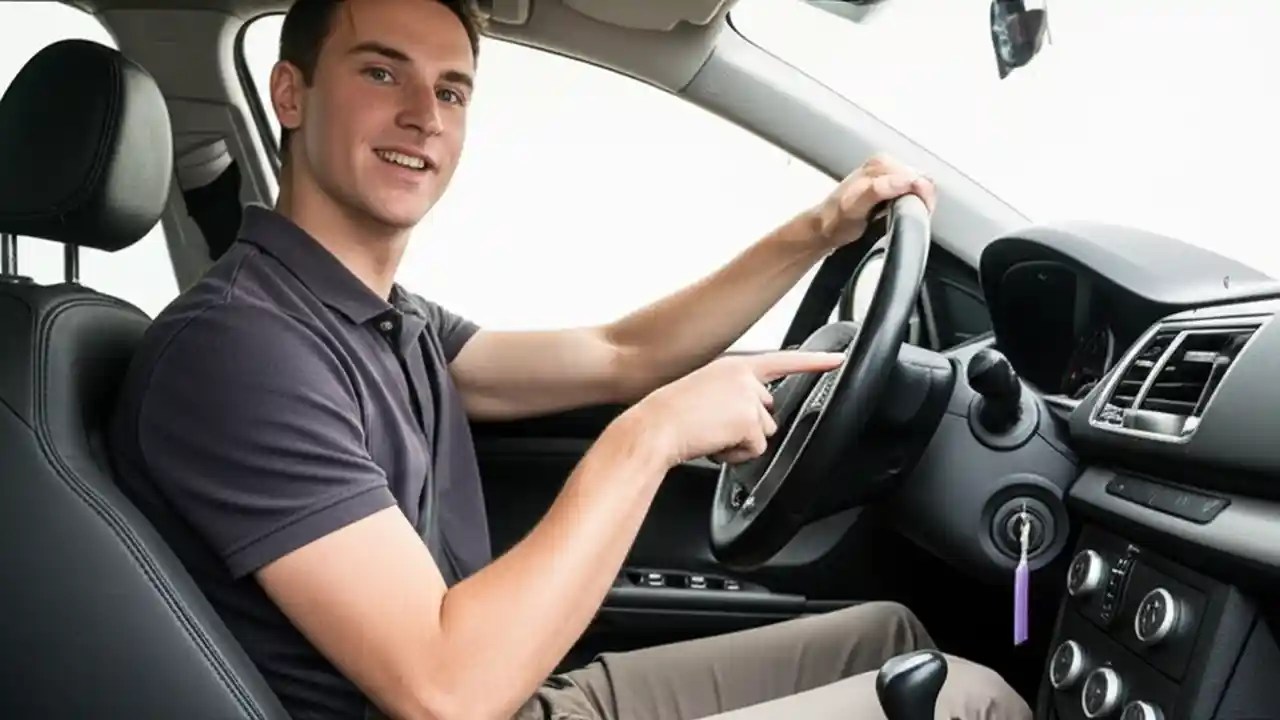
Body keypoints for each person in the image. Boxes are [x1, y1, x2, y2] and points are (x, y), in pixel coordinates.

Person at [107, 0, 1033, 718]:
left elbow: (621, 353)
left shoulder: (376, 319)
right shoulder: (240, 350)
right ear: (291, 95)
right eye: (381, 72)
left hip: (521, 697)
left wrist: (818, 229)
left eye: (451, 91)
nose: (423, 116)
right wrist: (653, 436)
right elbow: (447, 689)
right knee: (968, 702)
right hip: (472, 695)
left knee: (889, 637)